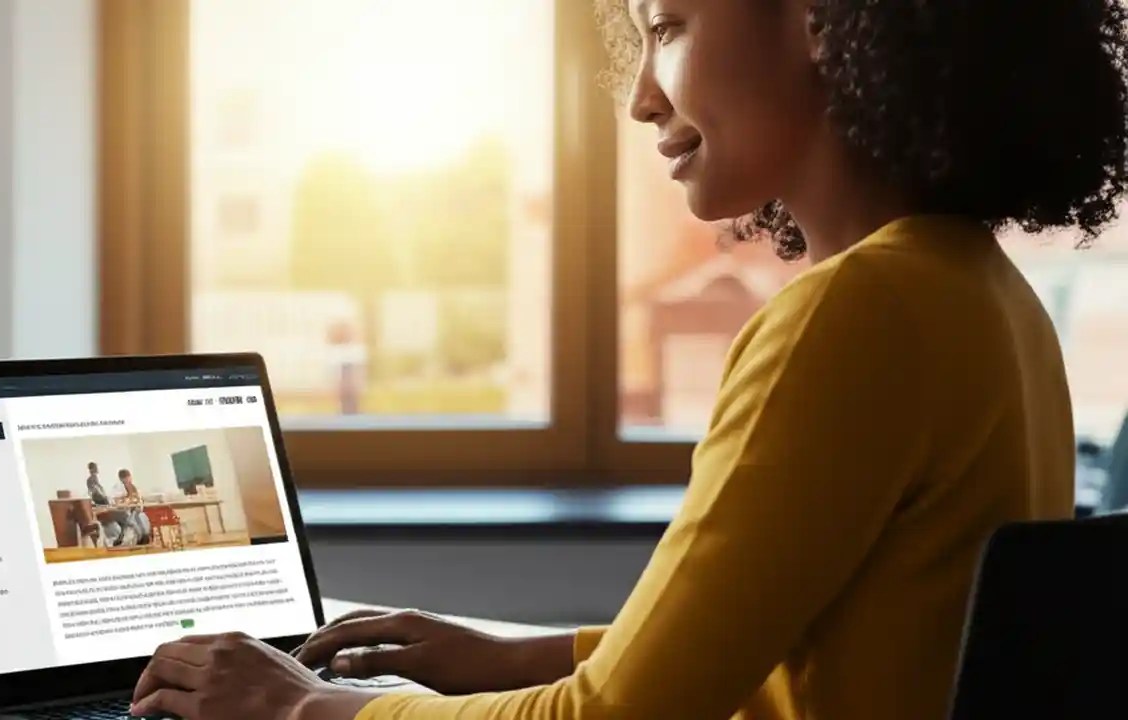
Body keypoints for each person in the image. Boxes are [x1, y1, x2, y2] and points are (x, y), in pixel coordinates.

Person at [130, 0, 1128, 718]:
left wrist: (298, 711)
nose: (644, 99)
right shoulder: (981, 293)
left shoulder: (851, 317)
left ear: (821, 19)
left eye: (668, 28)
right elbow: (782, 637)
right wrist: (500, 655)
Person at [85, 461, 135, 547]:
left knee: (126, 518)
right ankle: (120, 538)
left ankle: (121, 538)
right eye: (95, 468)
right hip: (102, 507)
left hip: (107, 506)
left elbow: (104, 494)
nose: (97, 469)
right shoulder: (91, 481)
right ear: (92, 469)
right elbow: (97, 494)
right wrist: (108, 500)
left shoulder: (96, 480)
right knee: (125, 517)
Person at [113, 469, 152, 544]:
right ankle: (141, 537)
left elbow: (139, 500)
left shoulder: (133, 487)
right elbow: (118, 503)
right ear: (122, 479)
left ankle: (144, 536)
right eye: (126, 478)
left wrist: (137, 503)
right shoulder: (118, 488)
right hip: (126, 513)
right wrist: (128, 502)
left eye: (129, 477)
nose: (129, 480)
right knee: (135, 520)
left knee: (141, 517)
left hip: (136, 511)